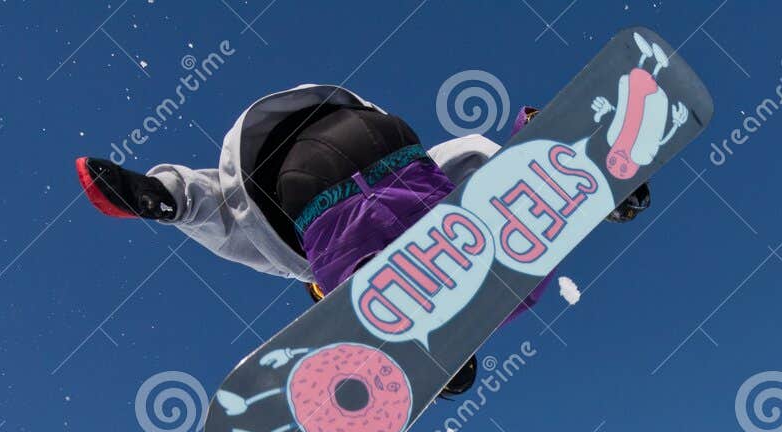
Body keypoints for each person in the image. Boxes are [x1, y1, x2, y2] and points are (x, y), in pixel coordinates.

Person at [75, 85, 649, 395]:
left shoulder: (308, 264)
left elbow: (222, 215)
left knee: (510, 289)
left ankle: (565, 167)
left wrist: (163, 197)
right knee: (504, 281)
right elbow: (479, 166)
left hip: (313, 169)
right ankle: (570, 166)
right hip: (363, 137)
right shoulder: (438, 223)